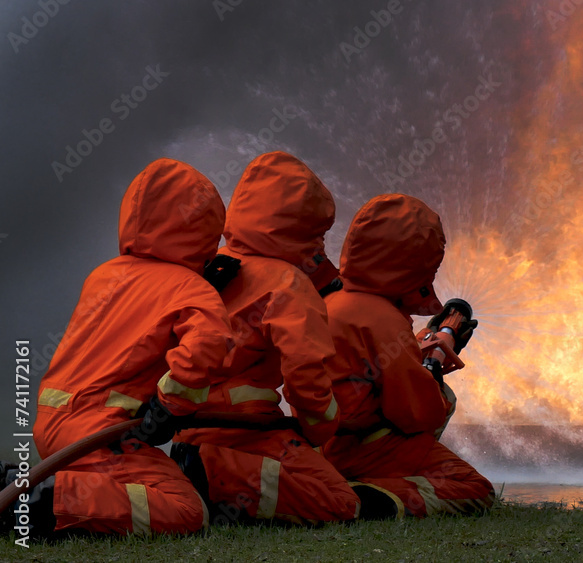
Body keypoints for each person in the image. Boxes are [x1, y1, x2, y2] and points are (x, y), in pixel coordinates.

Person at [8, 158, 235, 536]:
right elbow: (208, 345)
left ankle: (21, 482)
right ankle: (37, 502)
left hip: (51, 427)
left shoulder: (103, 275)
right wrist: (167, 408)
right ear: (205, 231)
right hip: (102, 436)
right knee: (187, 510)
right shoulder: (191, 289)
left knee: (117, 484)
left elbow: (134, 324)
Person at [172, 151, 359, 526]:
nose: (322, 243)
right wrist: (319, 429)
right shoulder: (289, 285)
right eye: (319, 233)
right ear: (302, 229)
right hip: (248, 434)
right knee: (341, 502)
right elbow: (306, 374)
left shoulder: (208, 267)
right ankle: (214, 474)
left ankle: (208, 477)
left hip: (185, 433)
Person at [321, 194, 495, 519]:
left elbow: (372, 366)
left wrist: (419, 346)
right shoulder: (384, 320)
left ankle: (355, 483)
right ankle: (373, 497)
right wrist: (433, 377)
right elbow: (417, 414)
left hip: (328, 443)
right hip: (372, 446)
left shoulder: (331, 301)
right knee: (474, 488)